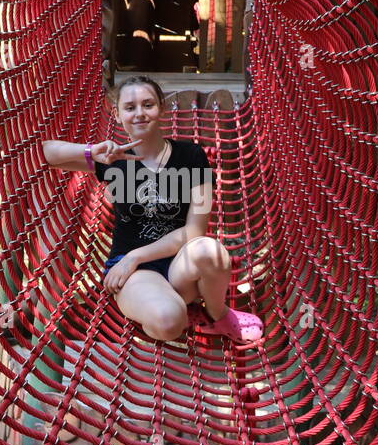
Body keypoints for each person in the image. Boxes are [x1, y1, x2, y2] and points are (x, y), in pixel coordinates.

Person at [42, 75, 263, 344]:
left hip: (181, 266)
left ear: (162, 108)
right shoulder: (112, 160)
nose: (139, 114)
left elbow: (195, 230)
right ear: (118, 113)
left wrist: (134, 256)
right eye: (130, 107)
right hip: (135, 274)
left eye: (148, 104)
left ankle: (218, 315)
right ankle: (168, 311)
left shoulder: (191, 156)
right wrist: (91, 150)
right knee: (170, 321)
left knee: (211, 250)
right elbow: (46, 153)